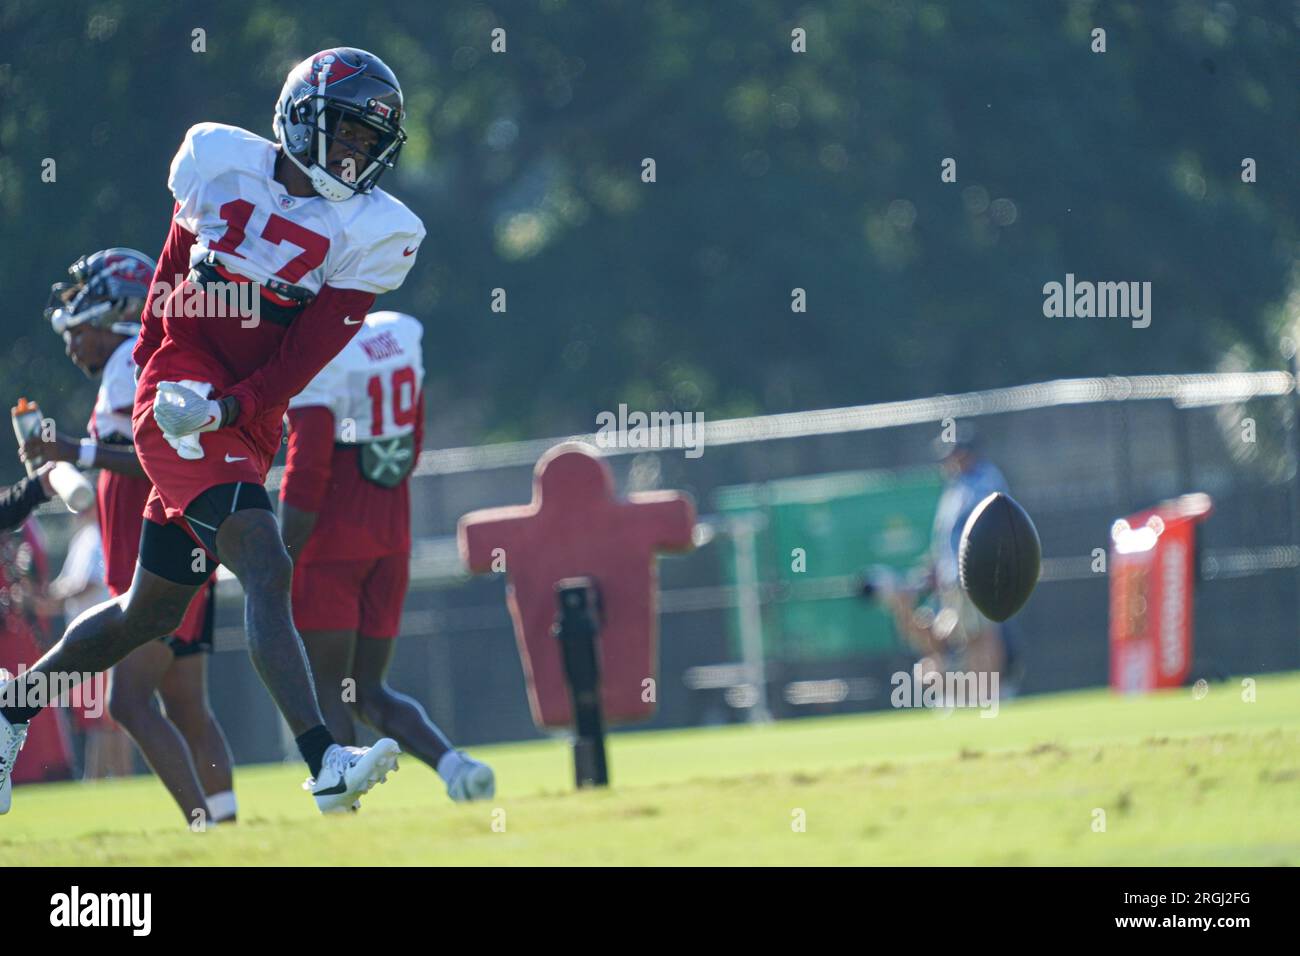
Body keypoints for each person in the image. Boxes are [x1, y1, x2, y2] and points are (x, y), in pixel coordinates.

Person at [0, 47, 425, 816]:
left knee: (148, 614)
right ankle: (325, 760)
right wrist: (172, 379)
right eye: (349, 133)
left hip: (246, 417)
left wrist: (231, 412)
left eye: (372, 142)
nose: (359, 153)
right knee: (264, 559)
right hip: (180, 394)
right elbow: (169, 292)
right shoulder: (218, 163)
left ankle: (10, 710)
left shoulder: (374, 232)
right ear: (303, 121)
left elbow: (302, 358)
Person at [21, 248, 236, 821]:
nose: (71, 329)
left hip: (155, 552)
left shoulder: (131, 361)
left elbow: (156, 459)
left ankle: (204, 830)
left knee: (129, 701)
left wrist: (76, 450)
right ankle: (227, 825)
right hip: (185, 544)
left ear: (118, 307)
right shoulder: (145, 356)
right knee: (188, 706)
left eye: (83, 310)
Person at [280, 311, 495, 802]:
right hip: (392, 533)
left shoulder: (319, 350)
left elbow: (308, 468)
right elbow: (411, 441)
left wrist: (283, 549)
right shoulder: (398, 330)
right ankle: (456, 767)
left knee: (329, 688)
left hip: (330, 540)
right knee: (368, 687)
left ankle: (341, 802)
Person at [872, 425, 1020, 693]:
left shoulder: (984, 480)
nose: (949, 462)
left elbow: (983, 530)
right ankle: (973, 692)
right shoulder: (955, 485)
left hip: (974, 574)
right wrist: (934, 568)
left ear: (966, 453)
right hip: (952, 578)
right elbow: (947, 538)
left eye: (954, 455)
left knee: (980, 634)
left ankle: (993, 691)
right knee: (955, 633)